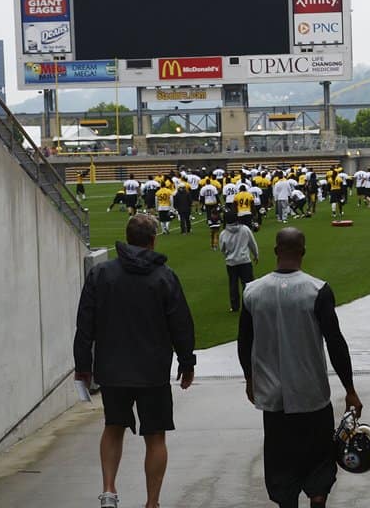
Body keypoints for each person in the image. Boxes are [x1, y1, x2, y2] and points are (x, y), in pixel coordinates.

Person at [74, 215, 197, 508]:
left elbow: (85, 324)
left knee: (113, 426)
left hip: (112, 367)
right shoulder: (164, 276)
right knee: (155, 436)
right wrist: (186, 362)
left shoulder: (101, 275)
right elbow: (181, 324)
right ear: (152, 241)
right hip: (152, 369)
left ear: (127, 238)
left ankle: (108, 491)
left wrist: (83, 367)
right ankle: (152, 502)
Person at [238, 228, 363, 508]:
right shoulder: (317, 290)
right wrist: (350, 389)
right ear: (303, 252)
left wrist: (250, 379)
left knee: (281, 465)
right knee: (319, 460)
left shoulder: (253, 292)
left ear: (275, 251)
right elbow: (335, 343)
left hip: (273, 400)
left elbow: (244, 343)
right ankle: (317, 497)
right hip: (312, 397)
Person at [219, 217, 259, 312]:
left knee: (233, 284)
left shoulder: (224, 233)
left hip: (231, 262)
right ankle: (249, 304)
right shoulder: (245, 229)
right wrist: (256, 254)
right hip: (244, 260)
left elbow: (222, 248)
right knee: (248, 284)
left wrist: (227, 256)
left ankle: (234, 306)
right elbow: (252, 243)